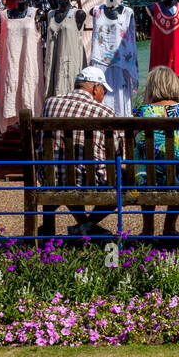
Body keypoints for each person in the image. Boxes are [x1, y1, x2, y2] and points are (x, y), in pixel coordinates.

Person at [41, 66, 120, 234]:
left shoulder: (50, 103)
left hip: (50, 179)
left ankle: (83, 226)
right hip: (88, 181)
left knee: (67, 169)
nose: (103, 96)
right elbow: (115, 151)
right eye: (103, 91)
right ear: (95, 88)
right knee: (124, 181)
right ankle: (87, 227)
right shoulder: (105, 112)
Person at [133, 66, 179, 188]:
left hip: (149, 180)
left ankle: (148, 206)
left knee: (138, 147)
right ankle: (174, 206)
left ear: (151, 89)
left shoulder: (141, 113)